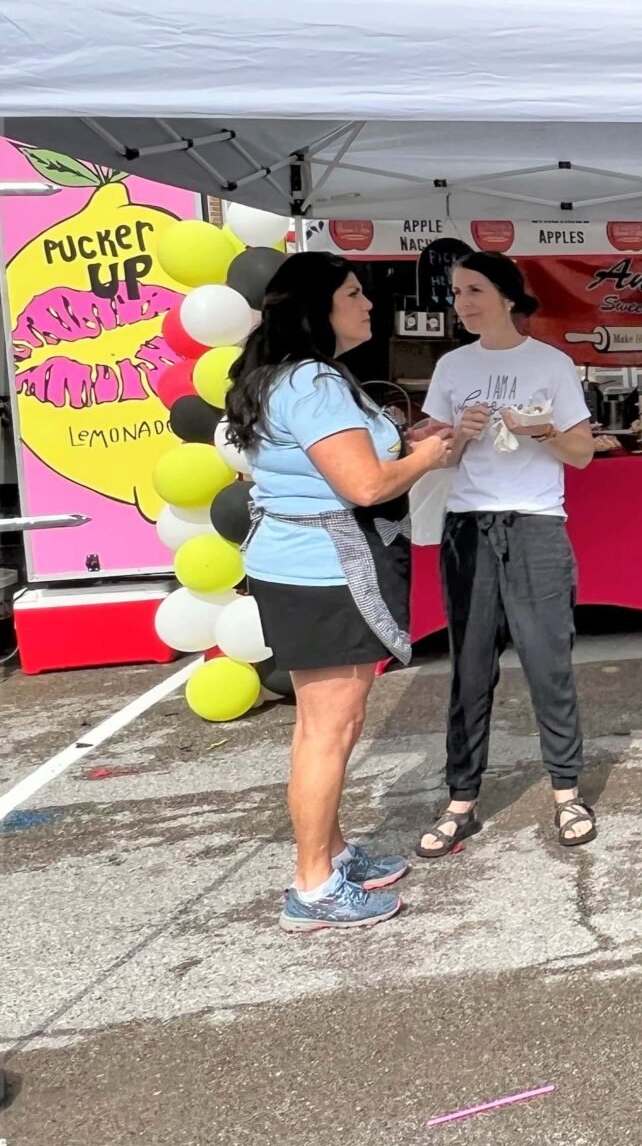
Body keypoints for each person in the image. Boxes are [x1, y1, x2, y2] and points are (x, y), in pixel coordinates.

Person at [225, 253, 453, 933]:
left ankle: (329, 851)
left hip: (300, 562)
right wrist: (428, 458)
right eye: (354, 293)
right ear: (316, 307)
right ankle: (313, 886)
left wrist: (406, 442)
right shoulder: (317, 382)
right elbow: (364, 486)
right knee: (330, 728)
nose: (368, 304)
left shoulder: (287, 376)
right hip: (324, 567)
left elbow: (341, 463)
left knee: (324, 726)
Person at [413, 253, 598, 859]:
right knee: (468, 668)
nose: (462, 302)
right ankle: (460, 800)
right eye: (456, 292)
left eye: (474, 290)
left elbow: (583, 454)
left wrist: (541, 430)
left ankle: (567, 790)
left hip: (537, 526)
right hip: (468, 526)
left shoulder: (552, 364)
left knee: (549, 662)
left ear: (508, 296)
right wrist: (457, 435)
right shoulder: (450, 365)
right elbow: (435, 459)